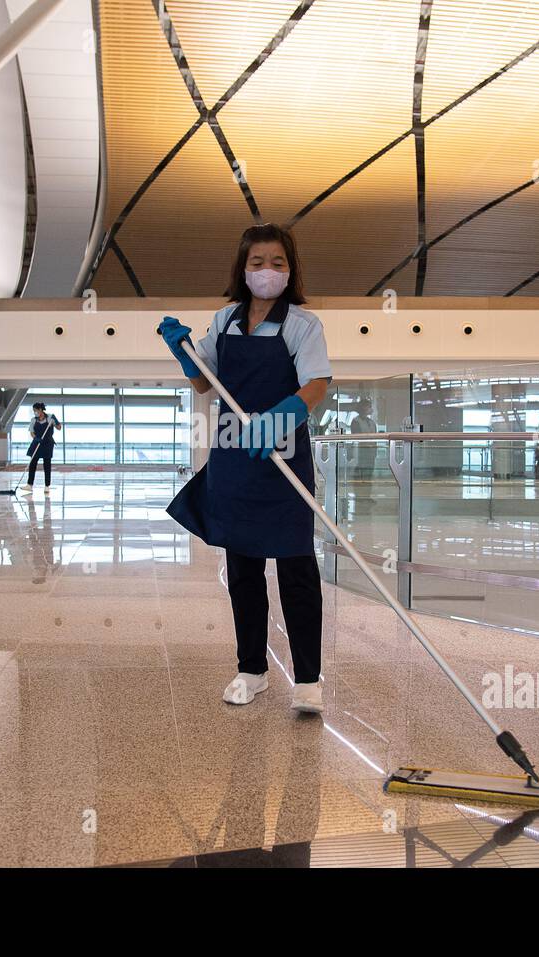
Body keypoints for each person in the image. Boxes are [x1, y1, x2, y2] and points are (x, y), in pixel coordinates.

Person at [159, 222, 332, 714]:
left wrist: (280, 416)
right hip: (235, 459)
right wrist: (184, 353)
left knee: (297, 566)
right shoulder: (226, 322)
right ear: (242, 267)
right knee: (243, 569)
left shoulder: (303, 324)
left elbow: (317, 384)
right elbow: (203, 385)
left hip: (283, 459)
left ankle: (308, 680)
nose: (267, 271)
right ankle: (251, 669)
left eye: (278, 262)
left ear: (290, 268)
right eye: (257, 262)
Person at [24, 402, 62, 493]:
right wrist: (36, 438)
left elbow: (59, 427)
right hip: (37, 443)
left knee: (47, 465)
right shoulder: (33, 420)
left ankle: (47, 486)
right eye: (33, 411)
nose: (34, 412)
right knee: (32, 463)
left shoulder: (50, 418)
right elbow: (32, 432)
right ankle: (29, 485)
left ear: (40, 409)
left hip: (47, 444)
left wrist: (56, 422)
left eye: (35, 410)